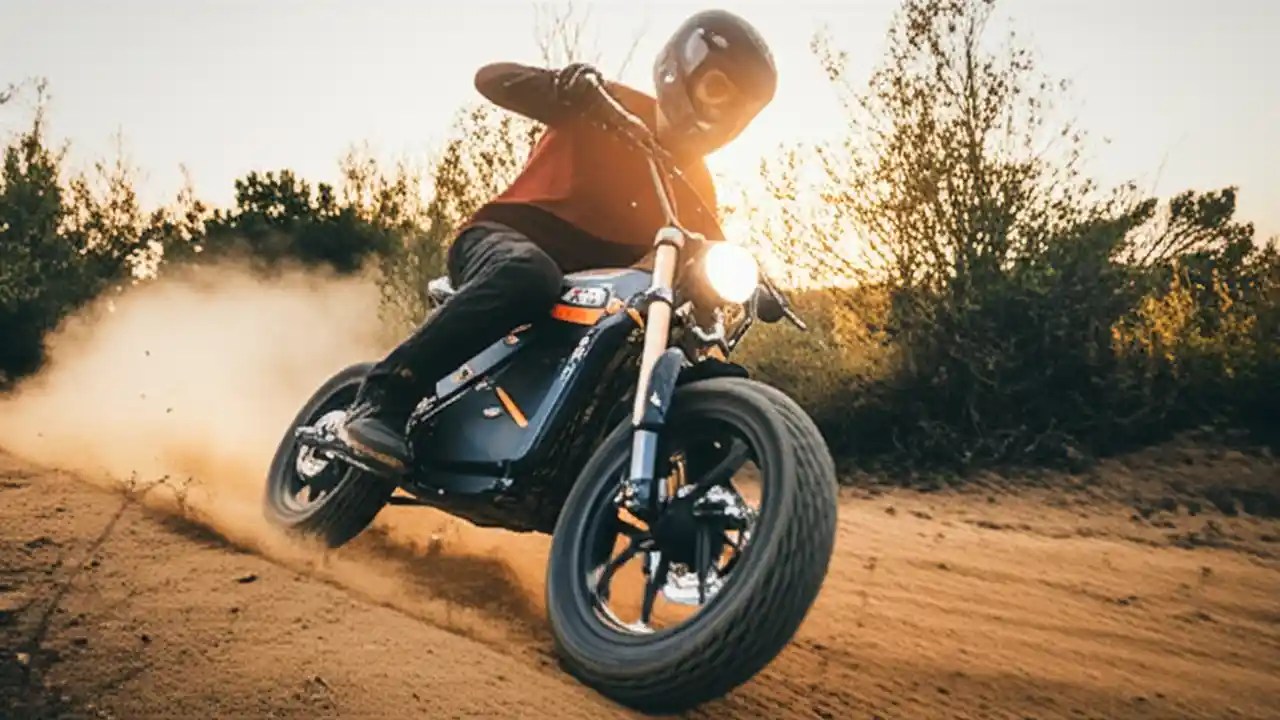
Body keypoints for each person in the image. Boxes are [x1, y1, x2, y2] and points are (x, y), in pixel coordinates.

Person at [337, 9, 778, 474]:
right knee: (529, 274)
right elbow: (491, 79)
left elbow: (709, 249)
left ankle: (624, 475)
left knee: (668, 336)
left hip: (589, 294)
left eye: (740, 109)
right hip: (506, 241)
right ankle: (386, 396)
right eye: (717, 89)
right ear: (680, 69)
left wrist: (751, 283)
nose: (723, 114)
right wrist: (565, 87)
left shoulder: (697, 188)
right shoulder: (606, 102)